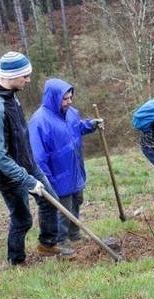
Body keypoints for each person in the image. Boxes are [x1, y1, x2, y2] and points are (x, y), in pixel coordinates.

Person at [0, 52, 73, 265]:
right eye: (25, 76)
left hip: (28, 164)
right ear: (11, 76)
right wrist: (28, 180)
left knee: (51, 201)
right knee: (22, 220)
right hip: (8, 173)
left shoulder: (11, 96)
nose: (29, 80)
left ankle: (47, 245)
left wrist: (31, 169)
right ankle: (16, 261)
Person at [29, 79, 102, 246]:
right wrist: (48, 181)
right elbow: (38, 158)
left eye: (70, 97)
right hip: (57, 175)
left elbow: (77, 128)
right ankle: (60, 241)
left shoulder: (71, 112)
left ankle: (74, 234)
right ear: (53, 98)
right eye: (65, 98)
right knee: (63, 210)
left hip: (74, 169)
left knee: (77, 201)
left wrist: (91, 125)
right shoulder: (39, 122)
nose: (69, 101)